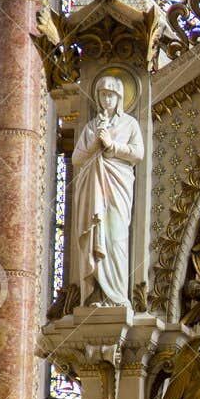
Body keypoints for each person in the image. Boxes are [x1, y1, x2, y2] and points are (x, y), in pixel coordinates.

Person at [72, 74, 143, 306]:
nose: (107, 99)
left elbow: (137, 153)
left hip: (118, 186)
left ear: (120, 97)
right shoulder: (91, 126)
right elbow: (76, 159)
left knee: (116, 238)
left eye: (111, 95)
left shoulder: (129, 124)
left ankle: (116, 295)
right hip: (93, 189)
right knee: (96, 235)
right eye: (103, 94)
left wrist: (112, 146)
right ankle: (95, 293)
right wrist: (95, 144)